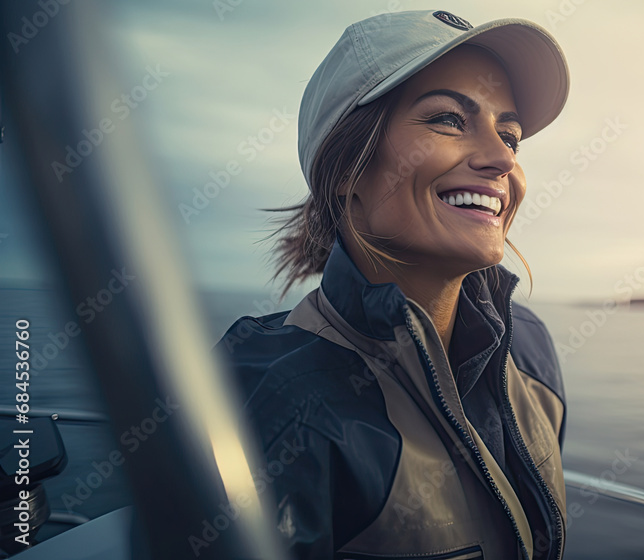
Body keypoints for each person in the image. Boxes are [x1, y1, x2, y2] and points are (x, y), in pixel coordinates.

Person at [216, 9, 571, 560]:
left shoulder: (529, 349)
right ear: (346, 172)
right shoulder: (279, 400)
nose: (502, 158)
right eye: (449, 119)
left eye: (510, 135)